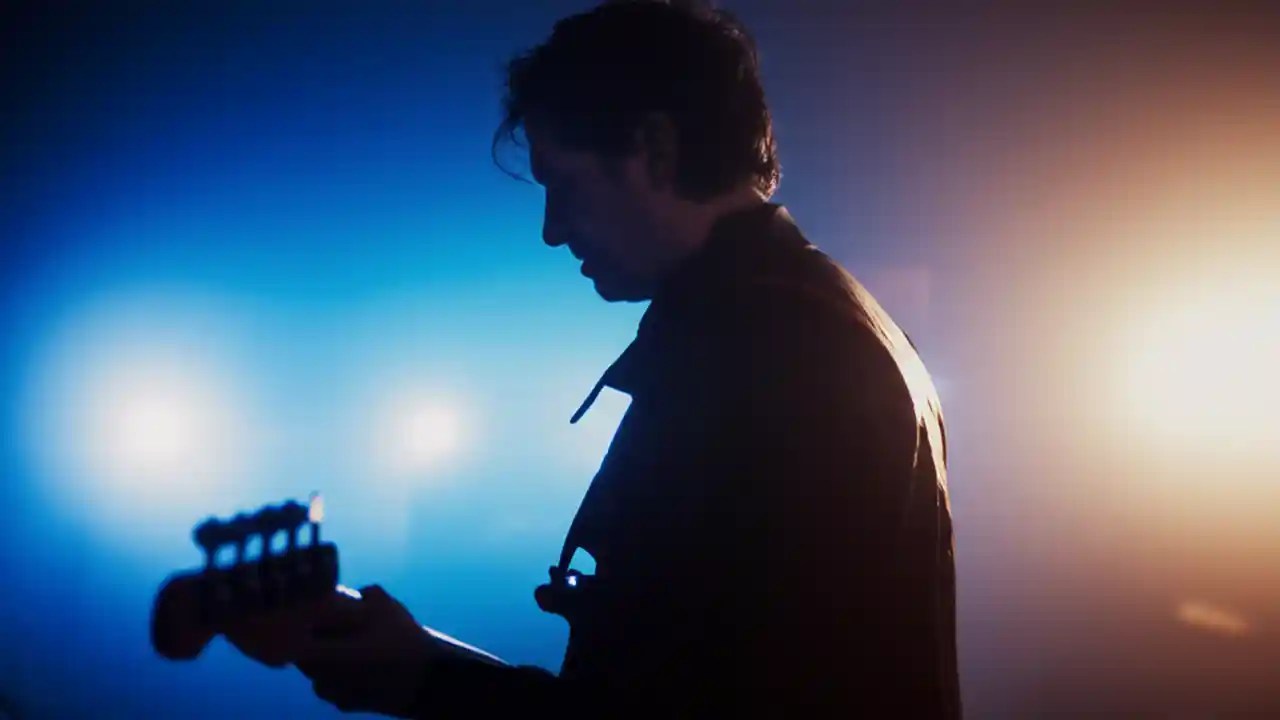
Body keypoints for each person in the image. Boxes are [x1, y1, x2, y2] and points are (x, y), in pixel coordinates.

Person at [231, 1, 960, 717]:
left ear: (655, 149)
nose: (552, 231)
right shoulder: (826, 325)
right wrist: (423, 666)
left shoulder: (760, 356)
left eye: (565, 185)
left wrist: (424, 680)